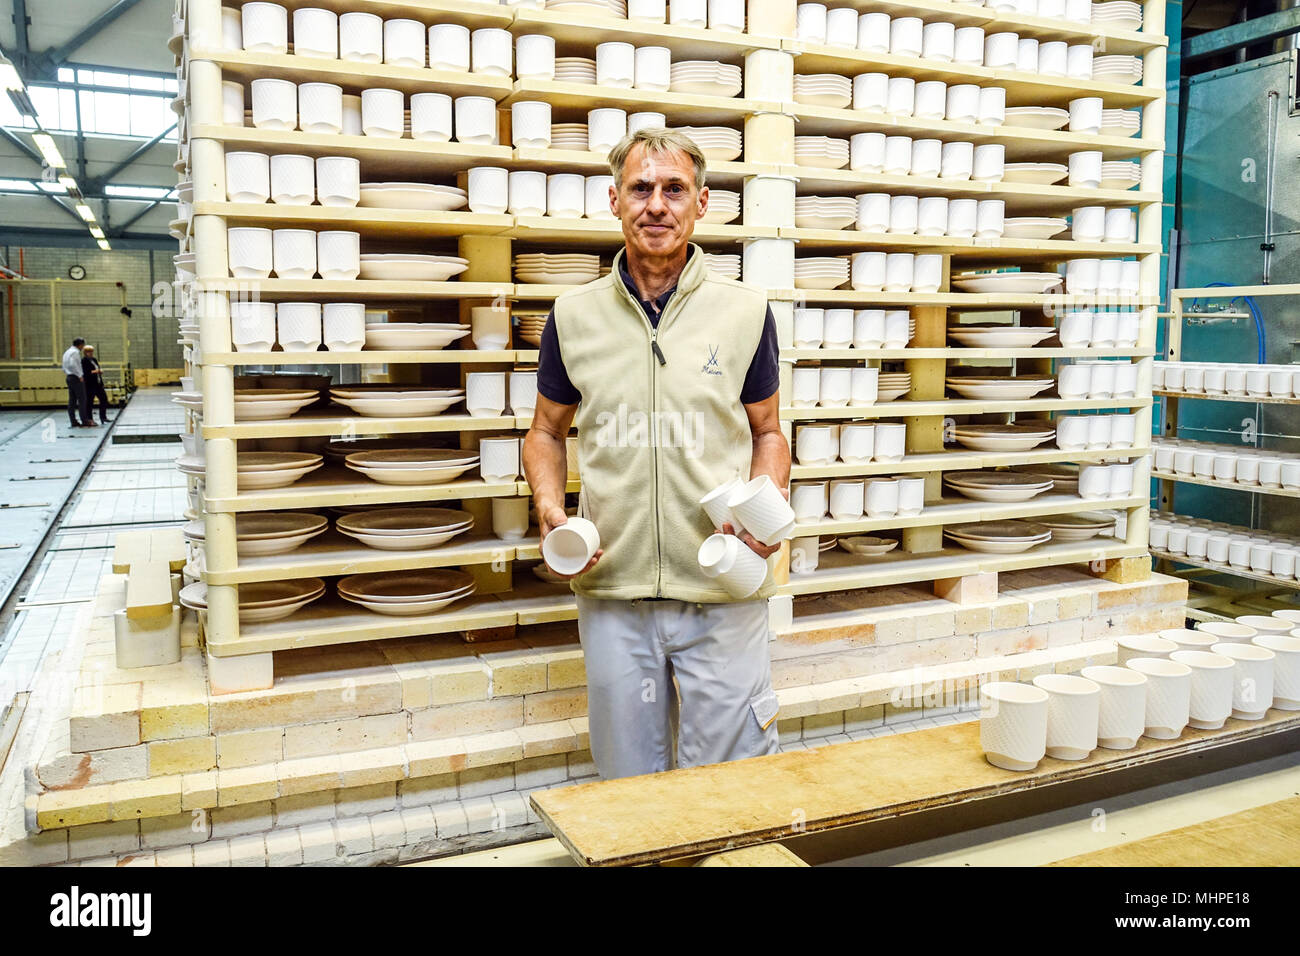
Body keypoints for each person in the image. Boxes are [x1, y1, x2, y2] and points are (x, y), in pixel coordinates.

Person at [522, 127, 790, 781]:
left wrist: (765, 510)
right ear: (614, 201)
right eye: (641, 189)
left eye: (674, 189)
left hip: (722, 588)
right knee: (627, 788)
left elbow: (769, 432)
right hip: (613, 592)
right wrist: (549, 506)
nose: (657, 205)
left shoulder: (746, 311)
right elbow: (545, 433)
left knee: (733, 786)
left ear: (702, 203)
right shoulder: (573, 314)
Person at [61, 337, 92, 428]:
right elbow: (73, 364)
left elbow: (64, 365)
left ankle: (73, 420)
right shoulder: (75, 352)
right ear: (80, 345)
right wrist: (79, 375)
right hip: (76, 378)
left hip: (69, 377)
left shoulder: (67, 352)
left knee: (72, 401)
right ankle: (84, 420)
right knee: (82, 399)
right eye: (82, 345)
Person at [81, 345, 111, 424]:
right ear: (85, 353)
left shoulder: (94, 360)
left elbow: (97, 368)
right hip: (90, 385)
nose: (90, 353)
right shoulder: (84, 361)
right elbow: (86, 373)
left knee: (104, 399)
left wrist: (99, 371)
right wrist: (96, 371)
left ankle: (103, 417)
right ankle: (90, 419)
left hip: (98, 384)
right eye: (88, 352)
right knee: (90, 402)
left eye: (91, 351)